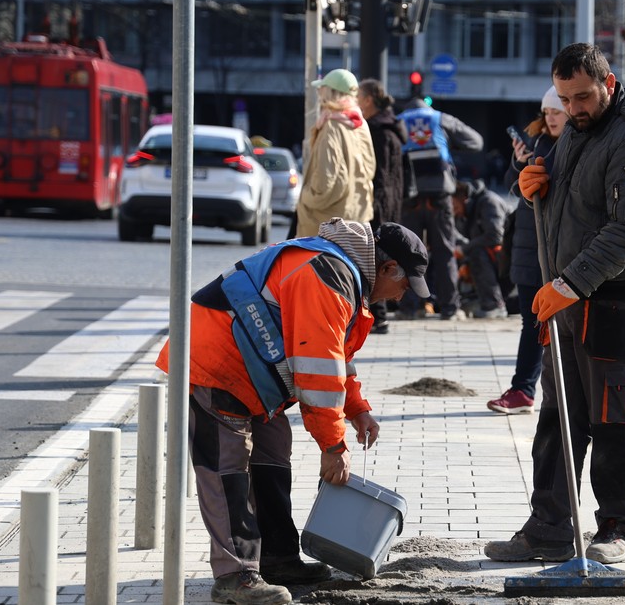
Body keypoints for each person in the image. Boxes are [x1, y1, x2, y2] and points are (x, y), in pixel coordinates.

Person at [155, 218, 430, 605]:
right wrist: (333, 446)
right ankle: (236, 576)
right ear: (386, 268)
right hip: (214, 363)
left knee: (273, 448)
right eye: (404, 285)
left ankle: (278, 558)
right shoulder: (328, 277)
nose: (401, 297)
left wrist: (357, 409)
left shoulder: (341, 274)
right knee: (228, 467)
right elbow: (316, 369)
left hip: (250, 369)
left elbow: (334, 357)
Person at [484, 43, 625, 565]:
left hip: (617, 304)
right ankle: (547, 526)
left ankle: (618, 526)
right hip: (570, 301)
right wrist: (535, 190)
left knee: (615, 419)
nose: (574, 108)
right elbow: (572, 208)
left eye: (584, 97)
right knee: (558, 418)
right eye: (566, 99)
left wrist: (566, 285)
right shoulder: (574, 129)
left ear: (609, 84)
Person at [486, 87, 568, 415]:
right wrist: (520, 164)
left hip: (556, 248)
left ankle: (539, 389)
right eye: (546, 113)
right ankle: (523, 390)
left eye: (556, 113)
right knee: (531, 321)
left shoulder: (574, 147)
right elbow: (515, 188)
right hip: (527, 244)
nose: (549, 119)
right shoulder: (537, 143)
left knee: (557, 324)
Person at [395, 97, 484, 320]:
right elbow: (476, 142)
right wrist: (447, 143)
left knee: (407, 253)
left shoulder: (398, 121)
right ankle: (450, 309)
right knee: (444, 252)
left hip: (410, 196)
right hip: (440, 194)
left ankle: (409, 308)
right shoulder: (441, 119)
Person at [293, 69, 376, 238]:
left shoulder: (332, 126)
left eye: (321, 90)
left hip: (327, 224)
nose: (319, 95)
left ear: (329, 93)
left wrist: (305, 198)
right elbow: (370, 168)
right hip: (356, 216)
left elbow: (324, 183)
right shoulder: (360, 123)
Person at [358, 78, 408, 334]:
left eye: (358, 97)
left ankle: (377, 314)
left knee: (372, 258)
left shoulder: (376, 131)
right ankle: (380, 314)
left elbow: (376, 173)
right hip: (391, 202)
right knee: (382, 257)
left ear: (368, 100)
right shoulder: (393, 129)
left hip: (377, 202)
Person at [451, 179, 509, 319]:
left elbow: (495, 236)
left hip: (508, 259)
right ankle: (483, 300)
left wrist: (464, 250)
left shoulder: (489, 202)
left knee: (476, 253)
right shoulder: (467, 213)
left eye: (453, 205)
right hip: (499, 259)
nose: (452, 210)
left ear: (463, 198)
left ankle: (493, 305)